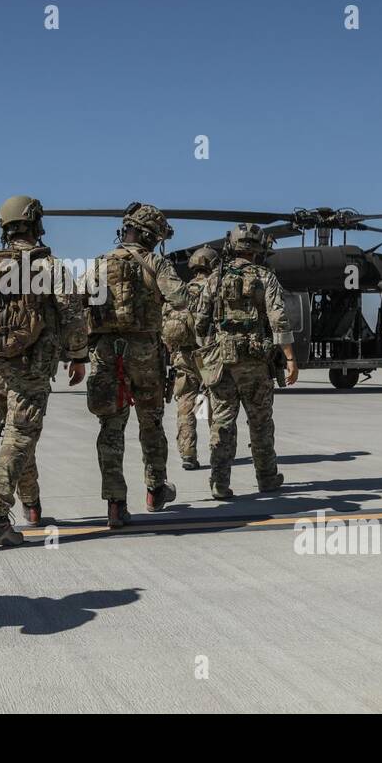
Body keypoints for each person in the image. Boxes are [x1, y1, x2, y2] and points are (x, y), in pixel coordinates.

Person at [0, 195, 88, 546]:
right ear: (36, 223)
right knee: (21, 437)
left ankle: (31, 505)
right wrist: (78, 356)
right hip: (31, 369)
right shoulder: (49, 267)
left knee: (17, 435)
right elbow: (72, 314)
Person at [84, 203, 187, 527]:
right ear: (148, 236)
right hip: (144, 351)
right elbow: (181, 299)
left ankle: (115, 504)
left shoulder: (99, 263)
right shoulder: (155, 262)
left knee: (110, 427)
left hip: (105, 352)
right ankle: (155, 490)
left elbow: (76, 301)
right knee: (151, 422)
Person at [193, 224, 299, 500]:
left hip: (221, 362)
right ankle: (266, 478)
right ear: (259, 248)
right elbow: (278, 320)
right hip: (255, 362)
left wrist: (209, 353)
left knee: (223, 421)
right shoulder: (266, 277)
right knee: (261, 422)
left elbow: (200, 323)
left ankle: (219, 482)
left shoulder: (215, 278)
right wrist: (289, 358)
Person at [161, 245, 217, 471]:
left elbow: (165, 327)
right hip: (209, 355)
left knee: (186, 405)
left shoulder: (180, 292)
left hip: (183, 356)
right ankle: (218, 450)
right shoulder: (214, 289)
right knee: (215, 404)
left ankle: (188, 455)